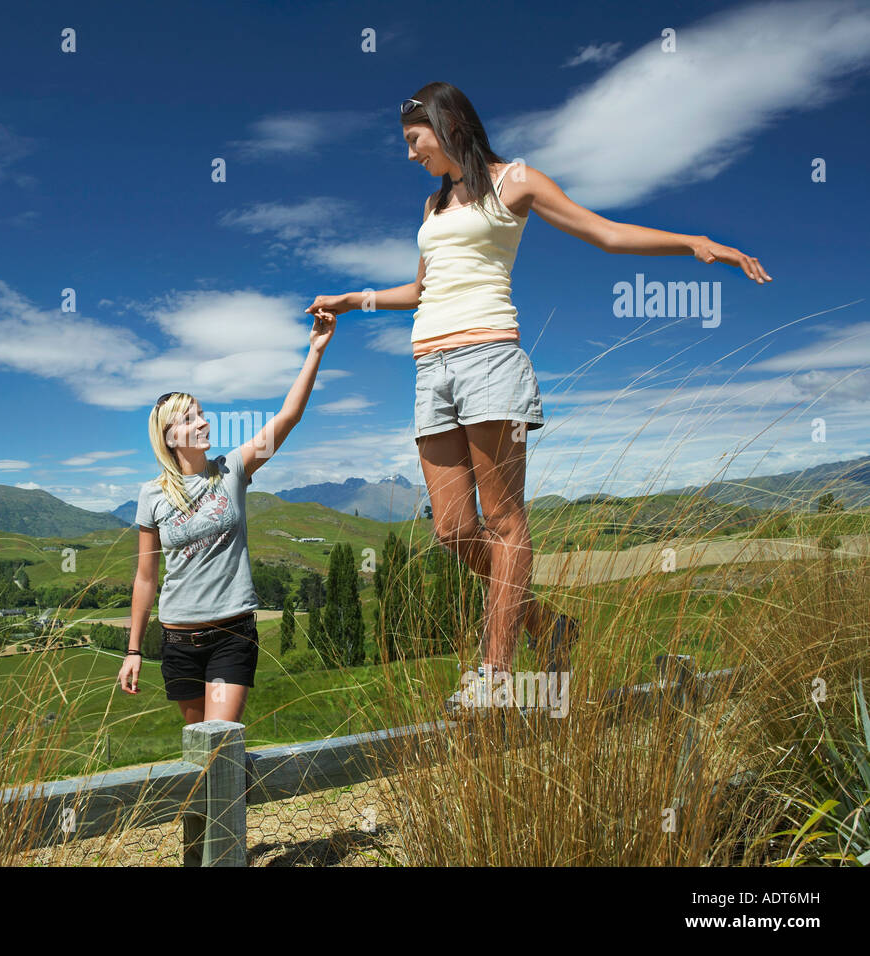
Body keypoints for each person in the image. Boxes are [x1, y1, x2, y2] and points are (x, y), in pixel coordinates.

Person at [304, 81, 772, 715]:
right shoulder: (431, 205)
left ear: (446, 126)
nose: (411, 155)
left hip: (490, 362)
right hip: (429, 369)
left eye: (415, 141)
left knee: (503, 522)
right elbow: (419, 291)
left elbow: (601, 232)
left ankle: (495, 675)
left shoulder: (515, 181)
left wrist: (690, 243)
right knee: (451, 529)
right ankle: (549, 625)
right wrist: (348, 300)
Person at [117, 312, 337, 723]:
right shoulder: (151, 496)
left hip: (231, 636)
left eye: (201, 413)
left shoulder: (233, 468)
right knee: (199, 756)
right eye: (189, 419)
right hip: (177, 641)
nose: (203, 421)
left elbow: (288, 417)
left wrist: (315, 351)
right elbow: (146, 577)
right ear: (169, 437)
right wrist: (133, 650)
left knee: (221, 744)